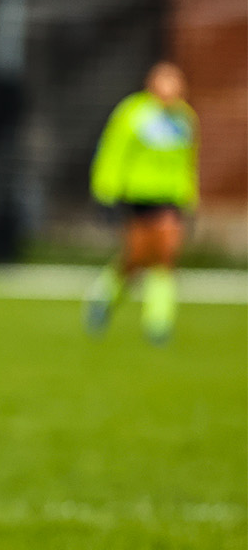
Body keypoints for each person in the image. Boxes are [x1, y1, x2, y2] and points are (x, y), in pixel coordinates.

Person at [85, 61, 199, 344]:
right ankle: (104, 297)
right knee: (136, 260)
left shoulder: (185, 118)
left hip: (169, 199)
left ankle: (158, 323)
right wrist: (106, 192)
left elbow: (186, 164)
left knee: (166, 256)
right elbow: (113, 153)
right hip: (138, 196)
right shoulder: (133, 113)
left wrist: (190, 198)